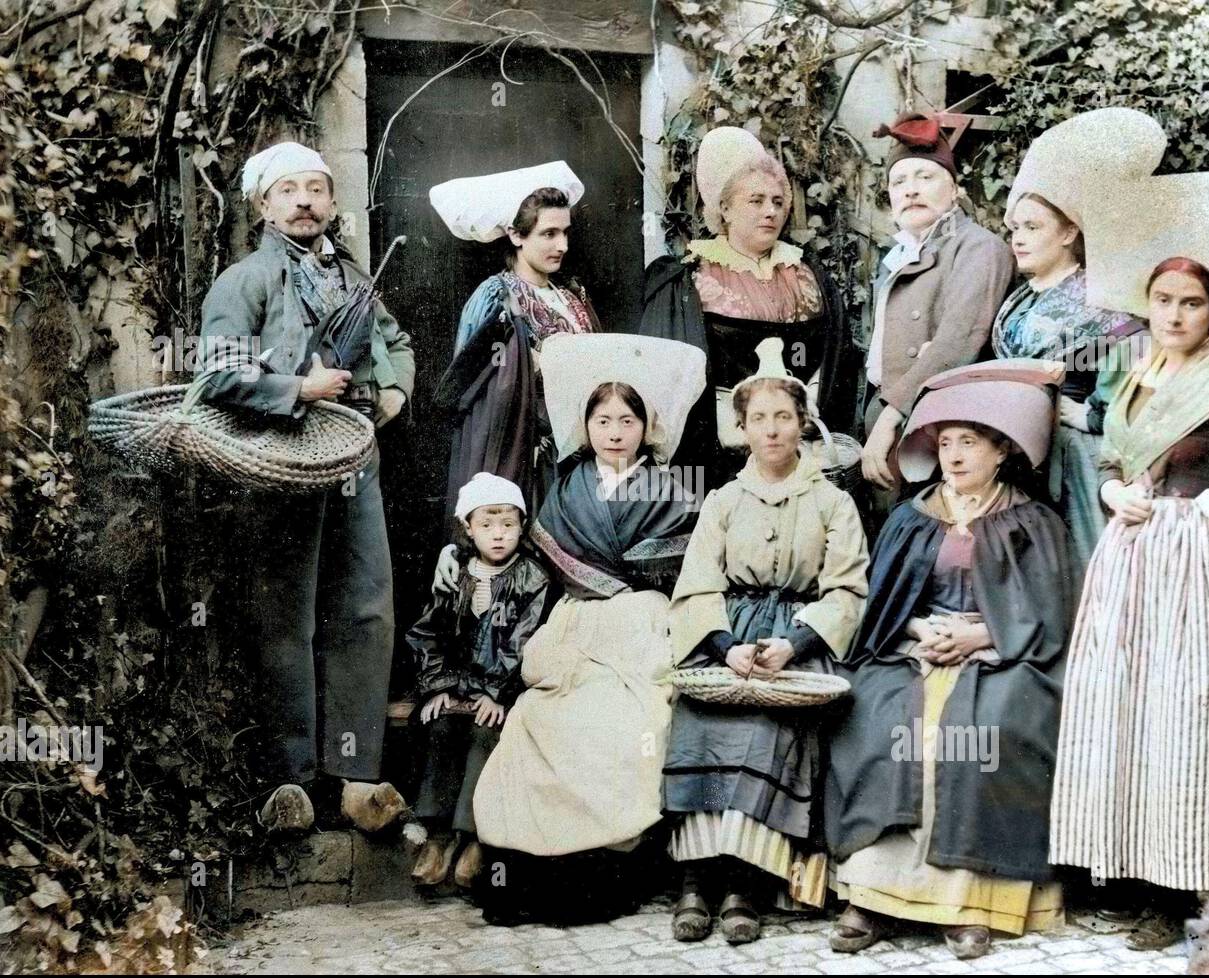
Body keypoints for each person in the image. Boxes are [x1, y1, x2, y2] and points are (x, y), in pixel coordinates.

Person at [1050, 258, 1209, 948]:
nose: (1175, 314)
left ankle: (1194, 886)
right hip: (1133, 561)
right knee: (1133, 714)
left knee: (1190, 717)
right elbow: (1108, 454)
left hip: (1201, 564)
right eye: (1163, 300)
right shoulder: (1138, 369)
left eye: (1191, 303)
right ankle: (1140, 879)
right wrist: (1112, 494)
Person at [823, 360, 1076, 960]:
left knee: (988, 728)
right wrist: (917, 626)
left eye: (969, 442)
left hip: (1003, 654)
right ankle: (873, 896)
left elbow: (1049, 610)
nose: (955, 456)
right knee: (878, 717)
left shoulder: (1031, 521)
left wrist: (982, 637)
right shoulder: (913, 518)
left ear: (1000, 451)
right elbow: (883, 605)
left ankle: (973, 904)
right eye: (944, 443)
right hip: (914, 646)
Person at [199, 141, 414, 833]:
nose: (304, 201)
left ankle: (356, 776)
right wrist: (299, 388)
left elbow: (397, 340)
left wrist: (396, 393)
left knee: (367, 606)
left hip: (354, 456)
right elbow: (219, 375)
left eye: (316, 189)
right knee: (285, 614)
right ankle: (289, 782)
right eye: (288, 190)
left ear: (330, 202)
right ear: (264, 205)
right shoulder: (245, 281)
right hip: (282, 456)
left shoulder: (353, 277)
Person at [470, 334, 707, 924]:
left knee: (628, 721)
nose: (615, 432)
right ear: (588, 425)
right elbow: (549, 567)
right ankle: (533, 877)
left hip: (641, 620)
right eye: (603, 420)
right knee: (539, 718)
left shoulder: (670, 489)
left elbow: (679, 570)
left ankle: (603, 875)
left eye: (627, 420)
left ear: (645, 425)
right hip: (575, 621)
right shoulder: (567, 486)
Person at [662, 338, 869, 944]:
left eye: (784, 417)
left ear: (802, 423)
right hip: (728, 639)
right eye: (759, 418)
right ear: (743, 427)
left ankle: (744, 886)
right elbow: (697, 583)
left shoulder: (833, 502)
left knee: (768, 731)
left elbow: (848, 590)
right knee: (698, 723)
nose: (772, 430)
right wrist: (725, 646)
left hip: (796, 645)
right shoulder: (723, 501)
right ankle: (695, 880)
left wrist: (796, 643)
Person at [641, 127, 858, 487]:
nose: (770, 212)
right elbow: (667, 378)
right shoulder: (688, 280)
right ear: (724, 208)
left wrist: (807, 407)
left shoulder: (806, 273)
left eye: (777, 201)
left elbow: (827, 358)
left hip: (802, 440)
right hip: (722, 453)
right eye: (756, 201)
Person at [995, 109, 1149, 575]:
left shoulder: (1099, 297)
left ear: (1069, 233)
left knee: (1083, 562)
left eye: (1033, 227)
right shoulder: (1020, 295)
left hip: (1075, 453)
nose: (1019, 238)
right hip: (1019, 445)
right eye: (1015, 228)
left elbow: (1136, 355)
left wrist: (1091, 413)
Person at [429, 162, 599, 547]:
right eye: (549, 234)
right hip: (520, 450)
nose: (563, 246)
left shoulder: (573, 297)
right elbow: (469, 388)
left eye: (566, 233)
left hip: (579, 454)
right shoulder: (496, 297)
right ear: (516, 235)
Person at [858, 113, 1016, 525]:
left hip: (931, 424)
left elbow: (955, 343)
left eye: (925, 177)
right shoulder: (896, 255)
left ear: (955, 189)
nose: (911, 190)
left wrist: (890, 419)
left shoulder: (980, 248)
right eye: (899, 181)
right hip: (887, 413)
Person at [403, 473, 550, 891]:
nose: (498, 535)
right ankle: (437, 834)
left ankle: (474, 836)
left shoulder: (531, 578)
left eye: (508, 524)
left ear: (522, 527)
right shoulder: (454, 576)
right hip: (456, 684)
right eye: (486, 524)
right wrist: (439, 687)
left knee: (487, 733)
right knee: (441, 725)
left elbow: (524, 639)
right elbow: (425, 634)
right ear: (468, 528)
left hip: (502, 692)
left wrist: (496, 693)